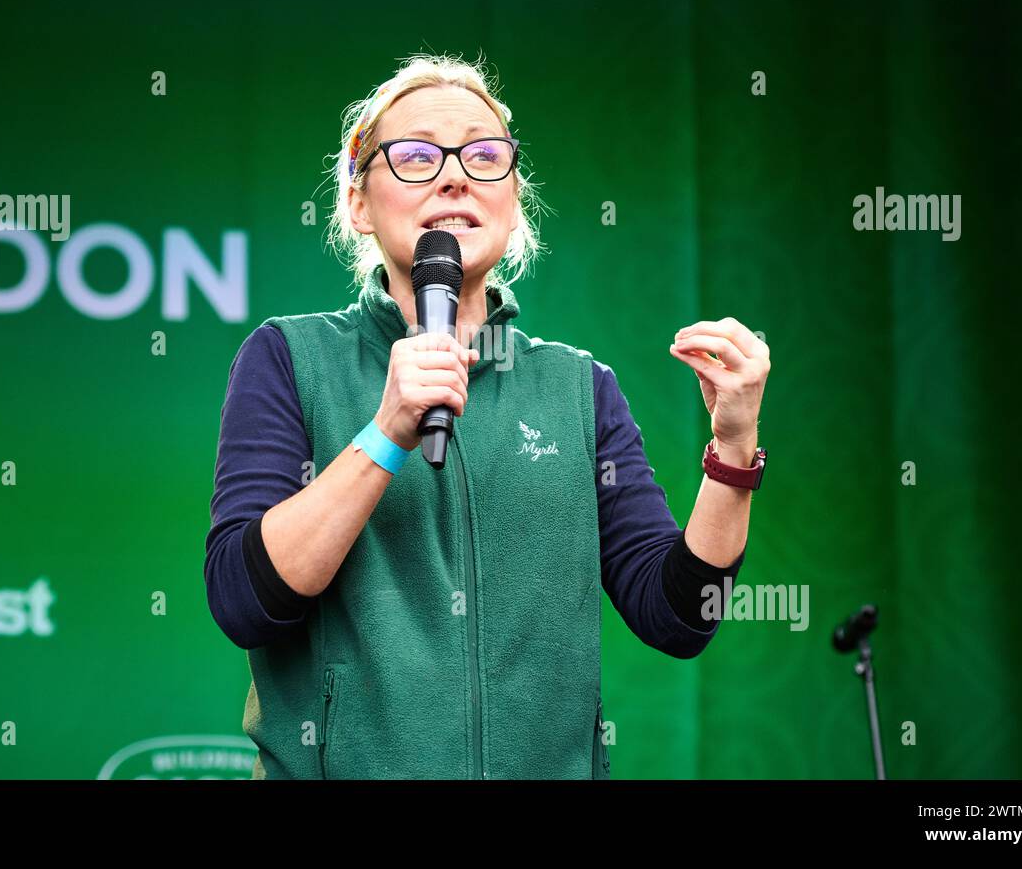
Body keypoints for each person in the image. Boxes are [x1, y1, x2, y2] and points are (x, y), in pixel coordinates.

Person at [204, 54, 771, 779]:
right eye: (414, 155)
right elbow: (243, 601)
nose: (453, 174)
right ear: (357, 203)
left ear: (513, 196)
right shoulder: (290, 356)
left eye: (484, 154)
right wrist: (385, 434)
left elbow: (678, 616)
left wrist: (732, 450)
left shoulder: (578, 386)